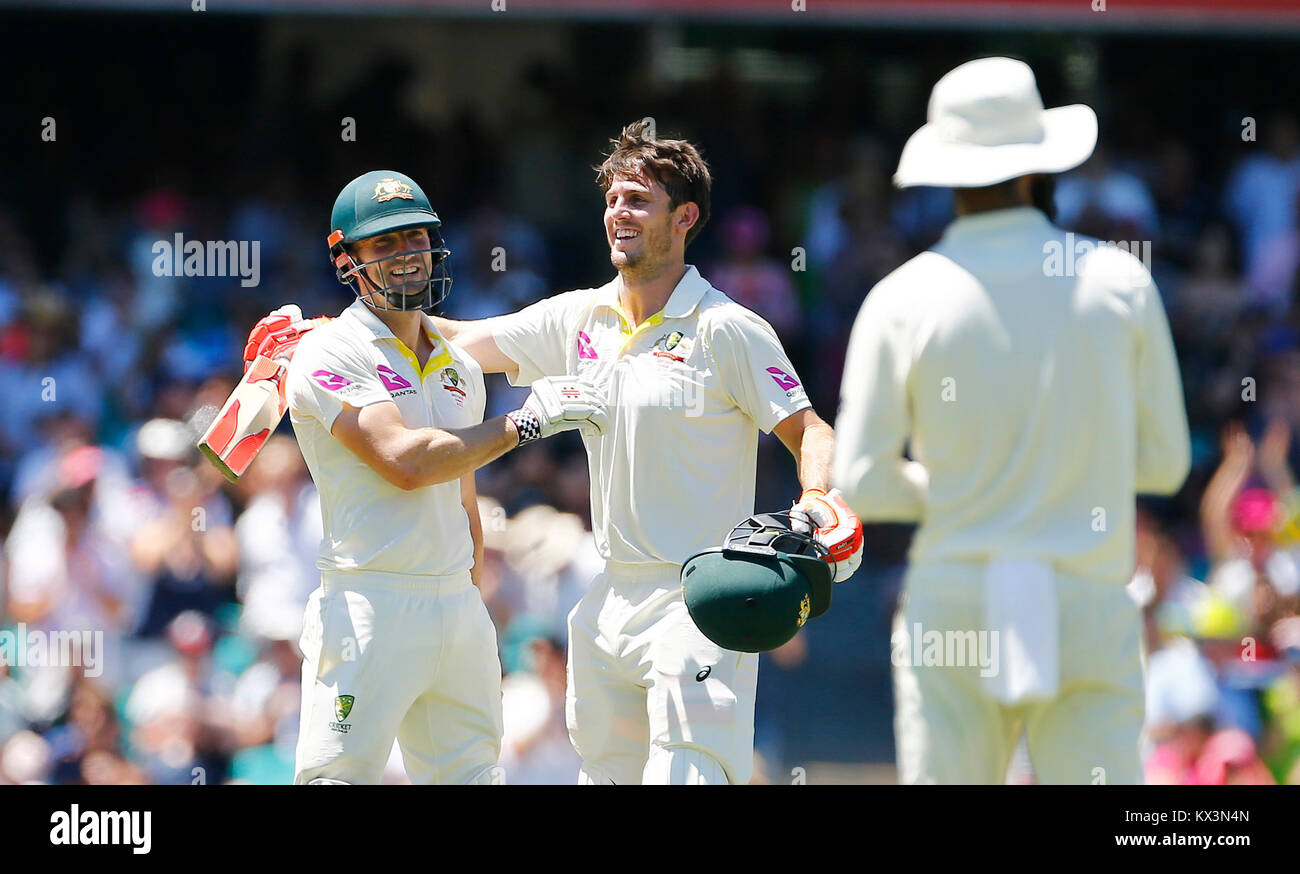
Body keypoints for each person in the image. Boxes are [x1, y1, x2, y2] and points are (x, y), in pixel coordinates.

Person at [434, 122, 865, 784]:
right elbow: (462, 340)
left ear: (685, 216)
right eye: (611, 200)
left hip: (702, 594)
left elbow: (810, 430)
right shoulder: (580, 317)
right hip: (606, 598)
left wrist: (815, 498)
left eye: (637, 199)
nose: (618, 213)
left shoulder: (730, 329)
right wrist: (353, 329)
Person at [832, 57, 1191, 784]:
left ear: (946, 171)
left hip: (955, 594)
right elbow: (1165, 464)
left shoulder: (902, 297)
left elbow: (862, 482)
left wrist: (964, 488)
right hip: (1087, 594)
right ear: (1040, 166)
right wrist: (1068, 475)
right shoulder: (1120, 280)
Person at [252, 170, 608, 784]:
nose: (406, 256)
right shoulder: (330, 352)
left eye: (414, 238)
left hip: (455, 605)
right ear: (348, 260)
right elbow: (407, 461)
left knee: (473, 779)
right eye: (384, 244)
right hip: (371, 603)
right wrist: (528, 423)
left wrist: (469, 594)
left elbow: (460, 489)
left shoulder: (459, 366)